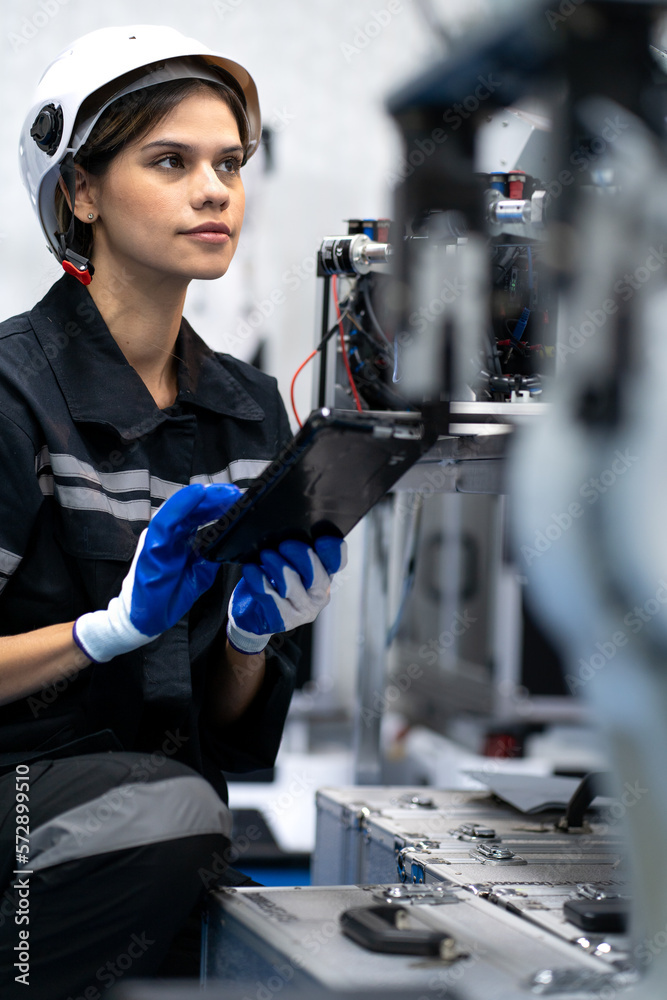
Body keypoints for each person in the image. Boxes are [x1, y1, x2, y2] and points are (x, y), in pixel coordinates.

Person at [0, 24, 345, 999]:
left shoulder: (243, 407)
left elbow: (226, 724)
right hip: (26, 807)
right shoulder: (14, 393)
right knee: (167, 810)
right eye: (171, 160)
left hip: (162, 825)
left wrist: (247, 633)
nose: (214, 189)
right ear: (81, 192)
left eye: (229, 162)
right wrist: (108, 631)